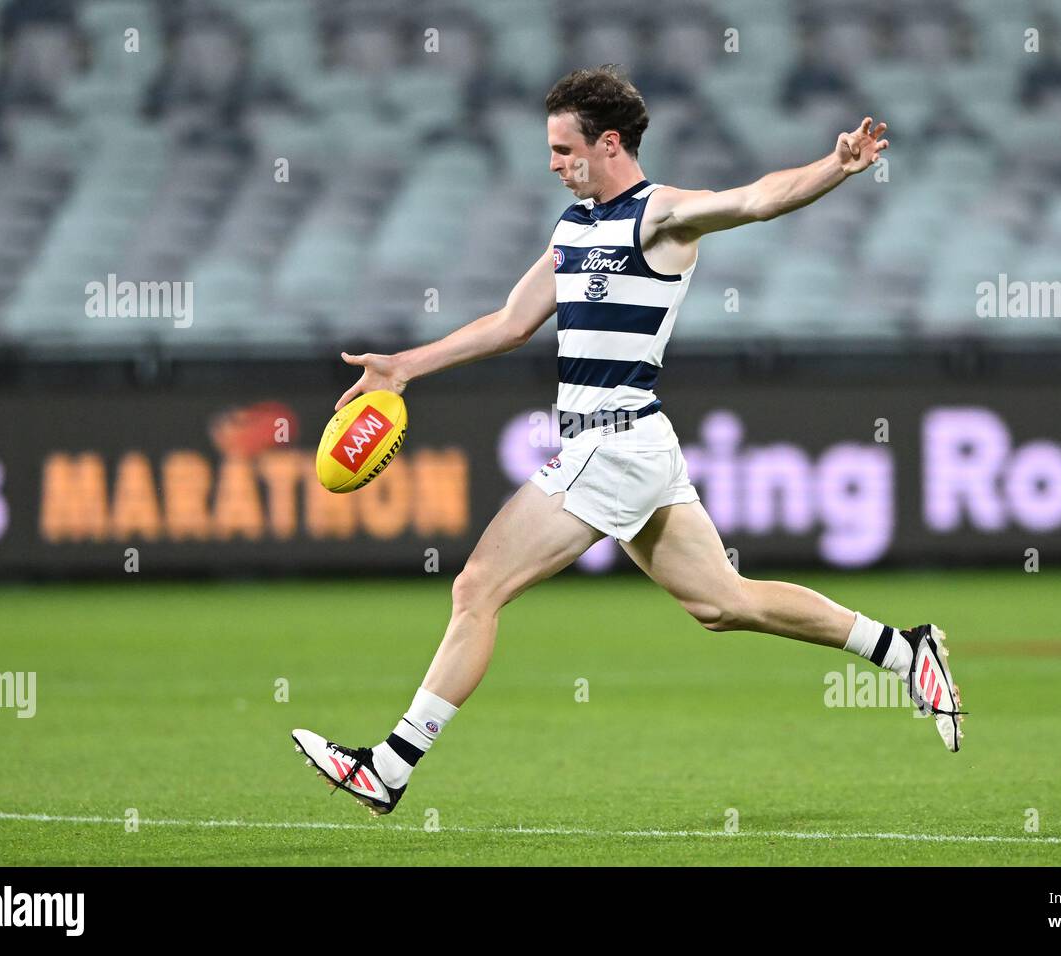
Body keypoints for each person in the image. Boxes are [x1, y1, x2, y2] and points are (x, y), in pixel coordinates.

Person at [293, 65, 962, 815]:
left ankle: (391, 765)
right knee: (722, 603)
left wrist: (834, 167)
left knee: (476, 588)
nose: (551, 163)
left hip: (611, 447)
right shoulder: (573, 228)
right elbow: (512, 323)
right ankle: (904, 651)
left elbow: (753, 199)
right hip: (633, 445)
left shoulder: (659, 215)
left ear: (608, 143)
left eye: (562, 148)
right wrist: (405, 367)